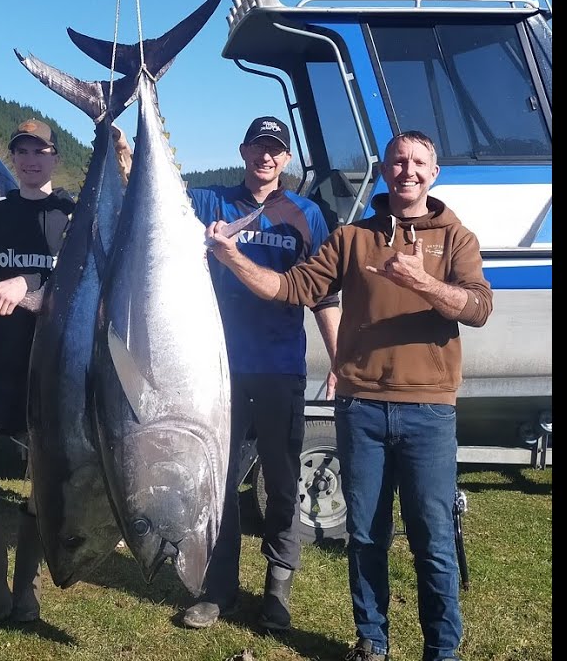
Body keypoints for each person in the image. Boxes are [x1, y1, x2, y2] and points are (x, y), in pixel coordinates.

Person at [205, 130, 491, 661]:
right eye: (398, 161)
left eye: (419, 162)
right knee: (365, 535)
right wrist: (231, 258)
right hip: (360, 409)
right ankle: (372, 640)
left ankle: (443, 648)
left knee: (433, 540)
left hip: (429, 409)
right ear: (383, 171)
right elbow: (289, 289)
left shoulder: (456, 237)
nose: (407, 170)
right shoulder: (352, 238)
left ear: (434, 173)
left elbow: (477, 308)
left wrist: (422, 282)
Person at [0, 118, 130, 632]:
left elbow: (96, 277)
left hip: (59, 375)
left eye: (40, 151)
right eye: (21, 151)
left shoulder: (74, 216)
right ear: (13, 157)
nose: (30, 159)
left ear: (55, 158)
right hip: (0, 370)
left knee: (44, 485)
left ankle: (26, 595)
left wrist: (30, 280)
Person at [182, 116, 341, 632]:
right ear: (244, 151)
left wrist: (338, 358)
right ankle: (219, 588)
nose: (265, 158)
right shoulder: (209, 202)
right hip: (216, 370)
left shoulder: (308, 215)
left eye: (274, 150)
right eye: (257, 148)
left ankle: (278, 587)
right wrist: (121, 147)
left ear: (285, 159)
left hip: (280, 368)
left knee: (281, 478)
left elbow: (324, 294)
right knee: (218, 481)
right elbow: (151, 192)